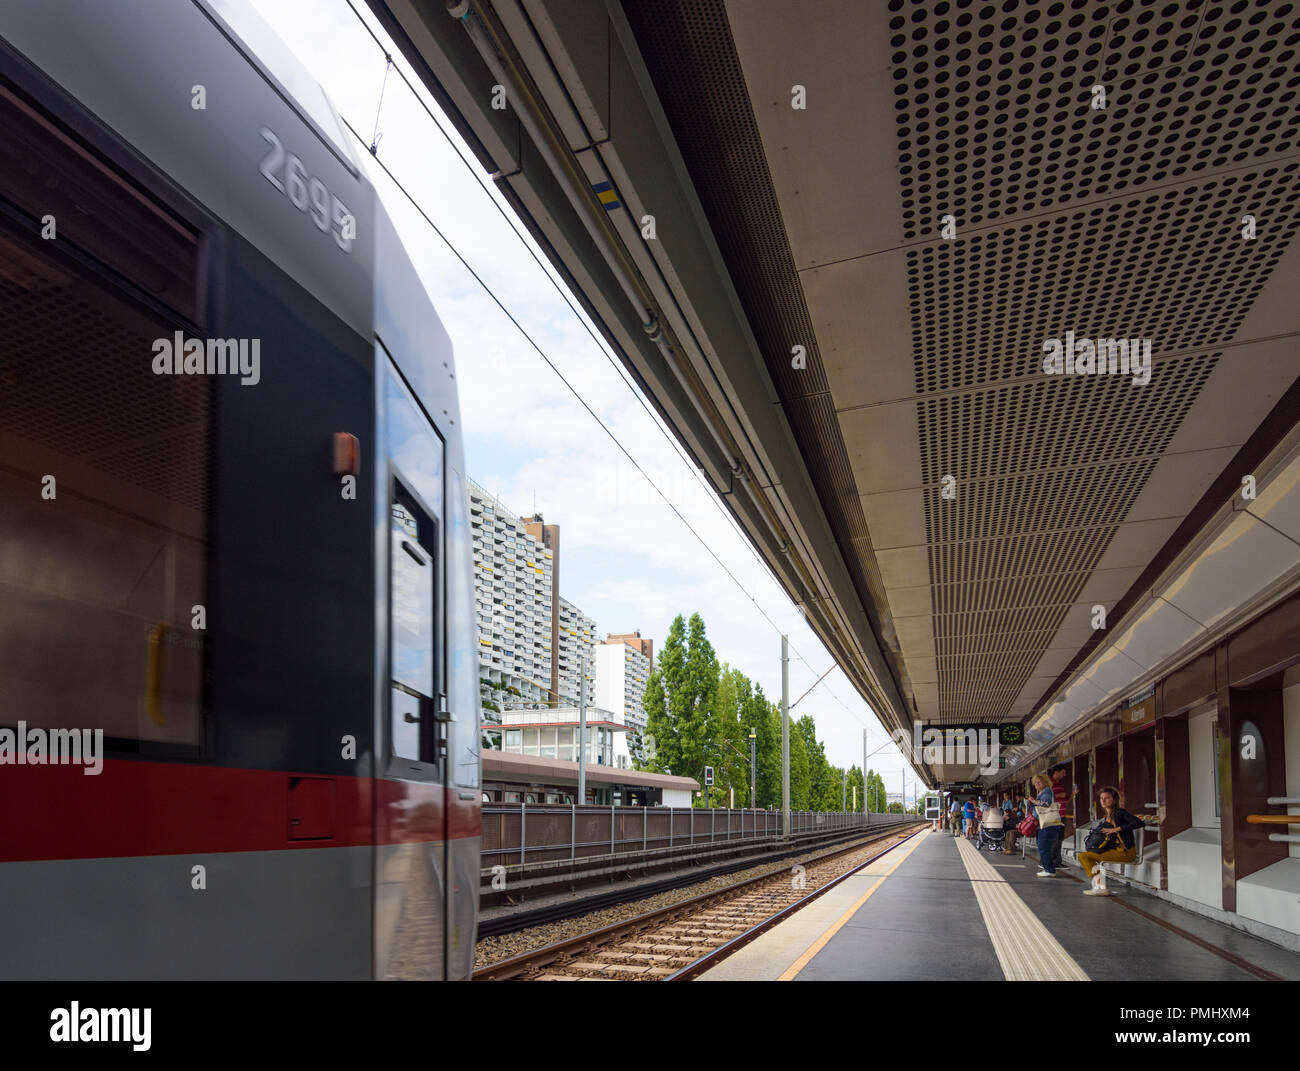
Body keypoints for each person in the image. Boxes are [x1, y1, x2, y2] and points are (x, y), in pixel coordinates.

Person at [1077, 786, 1144, 894]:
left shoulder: (1119, 812)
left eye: (1107, 798)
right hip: (1114, 850)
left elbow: (1139, 823)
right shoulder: (1106, 816)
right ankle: (1099, 886)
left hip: (1125, 852)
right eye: (1101, 798)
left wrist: (1117, 829)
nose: (1103, 801)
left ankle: (1101, 887)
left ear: (1114, 800)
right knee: (1086, 855)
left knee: (1084, 856)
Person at [1032, 773, 1063, 877]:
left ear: (1045, 782)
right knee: (1043, 846)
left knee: (1044, 846)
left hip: (1047, 824)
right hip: (1044, 824)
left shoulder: (1047, 792)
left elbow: (1047, 804)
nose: (1036, 784)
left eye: (1039, 782)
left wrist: (1034, 801)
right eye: (1035, 782)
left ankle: (1049, 869)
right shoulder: (1042, 792)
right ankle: (1047, 868)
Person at [1049, 763, 1072, 869]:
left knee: (1059, 839)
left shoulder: (1060, 785)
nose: (1064, 775)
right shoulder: (1049, 783)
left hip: (1062, 815)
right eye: (1063, 773)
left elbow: (1065, 801)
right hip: (1053, 816)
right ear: (1056, 772)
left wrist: (1073, 794)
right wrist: (1058, 795)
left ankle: (1057, 861)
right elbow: (1045, 799)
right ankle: (1048, 861)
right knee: (1054, 839)